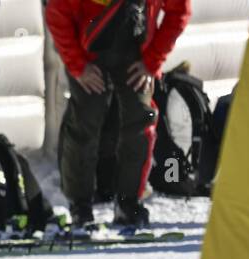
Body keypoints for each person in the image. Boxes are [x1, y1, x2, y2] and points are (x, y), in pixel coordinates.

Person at [46, 0, 191, 229]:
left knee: (141, 120)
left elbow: (180, 12)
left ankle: (128, 204)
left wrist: (152, 61)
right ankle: (80, 207)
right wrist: (78, 66)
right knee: (85, 122)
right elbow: (57, 16)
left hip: (136, 53)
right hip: (88, 54)